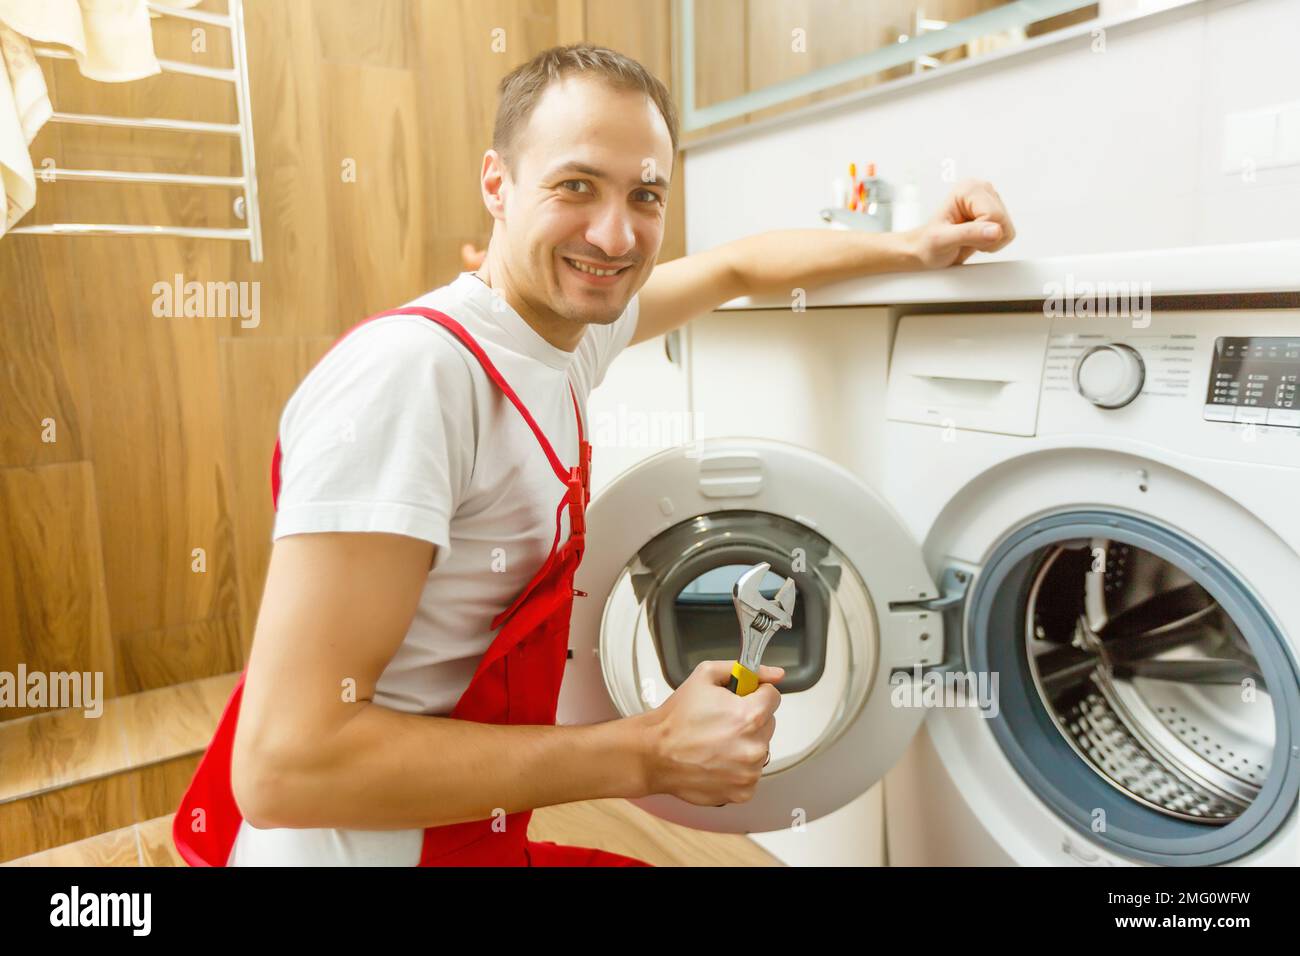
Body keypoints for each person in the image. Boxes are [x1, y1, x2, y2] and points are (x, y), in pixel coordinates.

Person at [175, 43, 1014, 867]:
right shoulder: (415, 377)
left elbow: (734, 268)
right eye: (576, 186)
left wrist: (915, 247)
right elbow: (286, 767)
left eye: (645, 195)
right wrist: (647, 751)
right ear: (497, 184)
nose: (616, 236)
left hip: (469, 832)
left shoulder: (562, 339)